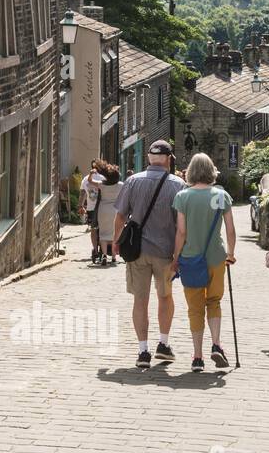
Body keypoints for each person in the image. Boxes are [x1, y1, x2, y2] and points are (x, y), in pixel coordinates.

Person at [114, 140, 186, 368]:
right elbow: (182, 226)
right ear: (168, 159)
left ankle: (142, 350)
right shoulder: (178, 184)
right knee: (165, 297)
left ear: (148, 158)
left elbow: (120, 216)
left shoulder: (133, 181)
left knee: (140, 300)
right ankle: (163, 344)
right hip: (166, 252)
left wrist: (116, 242)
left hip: (137, 251)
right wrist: (179, 255)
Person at [170, 153, 237, 373]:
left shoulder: (183, 196)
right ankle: (216, 343)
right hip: (216, 257)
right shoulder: (221, 195)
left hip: (190, 258)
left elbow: (181, 231)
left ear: (190, 171)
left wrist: (175, 257)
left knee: (195, 308)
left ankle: (197, 356)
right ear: (211, 171)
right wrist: (231, 253)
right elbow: (230, 229)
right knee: (214, 301)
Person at [95, 165, 122, 266]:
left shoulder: (102, 185)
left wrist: (91, 174)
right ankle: (114, 256)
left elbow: (90, 181)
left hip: (103, 210)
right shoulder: (120, 185)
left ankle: (105, 255)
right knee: (115, 233)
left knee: (103, 233)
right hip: (115, 209)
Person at [79, 160, 102, 263]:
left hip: (91, 209)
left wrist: (80, 205)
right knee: (102, 229)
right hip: (103, 208)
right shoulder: (103, 178)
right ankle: (103, 249)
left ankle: (96, 250)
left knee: (93, 229)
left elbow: (82, 193)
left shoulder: (85, 179)